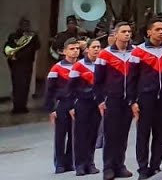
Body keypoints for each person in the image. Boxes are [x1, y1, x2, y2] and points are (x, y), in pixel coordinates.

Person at [128, 19, 162, 178]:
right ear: (149, 32)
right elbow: (132, 79)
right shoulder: (138, 52)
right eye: (157, 29)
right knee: (143, 135)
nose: (161, 32)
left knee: (160, 134)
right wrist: (133, 101)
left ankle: (155, 166)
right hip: (145, 99)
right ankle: (143, 168)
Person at [95, 21, 134, 180]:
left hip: (128, 100)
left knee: (123, 135)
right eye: (123, 31)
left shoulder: (135, 52)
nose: (127, 34)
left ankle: (120, 165)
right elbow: (98, 80)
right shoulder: (105, 54)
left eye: (129, 31)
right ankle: (108, 167)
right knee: (110, 134)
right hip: (112, 99)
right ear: (115, 34)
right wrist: (100, 100)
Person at [46, 37, 81, 174]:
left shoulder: (82, 66)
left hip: (77, 104)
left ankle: (70, 162)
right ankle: (59, 163)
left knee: (75, 135)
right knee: (61, 135)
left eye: (77, 48)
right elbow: (50, 90)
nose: (75, 51)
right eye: (72, 49)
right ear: (64, 51)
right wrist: (52, 109)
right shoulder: (57, 68)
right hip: (62, 105)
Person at [71, 38, 103, 176]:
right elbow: (71, 87)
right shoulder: (79, 66)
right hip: (82, 103)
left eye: (98, 47)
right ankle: (79, 165)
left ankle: (90, 163)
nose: (96, 49)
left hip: (97, 104)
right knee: (81, 135)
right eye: (94, 47)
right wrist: (72, 104)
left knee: (93, 134)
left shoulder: (102, 64)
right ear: (87, 49)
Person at [4, 17, 39, 114]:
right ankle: (16, 106)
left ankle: (23, 106)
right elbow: (8, 48)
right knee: (16, 85)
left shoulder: (32, 36)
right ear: (20, 25)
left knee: (25, 86)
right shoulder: (13, 36)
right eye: (23, 25)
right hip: (16, 64)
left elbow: (36, 47)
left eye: (27, 25)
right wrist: (12, 56)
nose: (25, 27)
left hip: (27, 63)